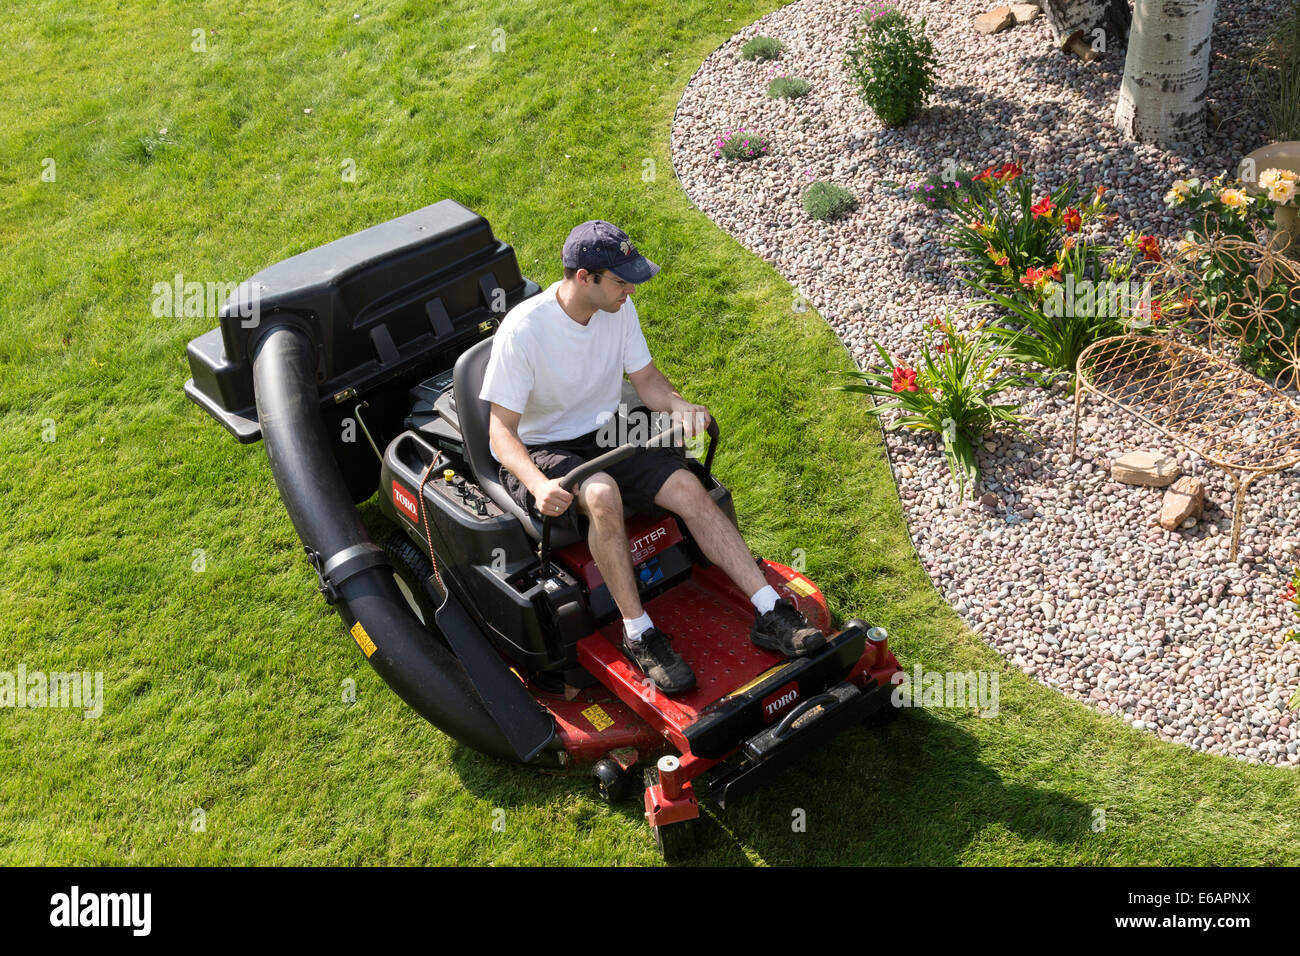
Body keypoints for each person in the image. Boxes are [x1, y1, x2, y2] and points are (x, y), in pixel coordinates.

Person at [479, 220, 825, 695]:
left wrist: (681, 407)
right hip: (547, 446)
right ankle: (638, 632)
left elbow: (647, 382)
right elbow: (501, 431)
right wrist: (538, 484)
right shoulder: (523, 331)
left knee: (686, 484)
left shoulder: (619, 309)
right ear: (585, 278)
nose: (631, 289)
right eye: (621, 280)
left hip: (608, 428)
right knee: (601, 492)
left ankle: (769, 609)